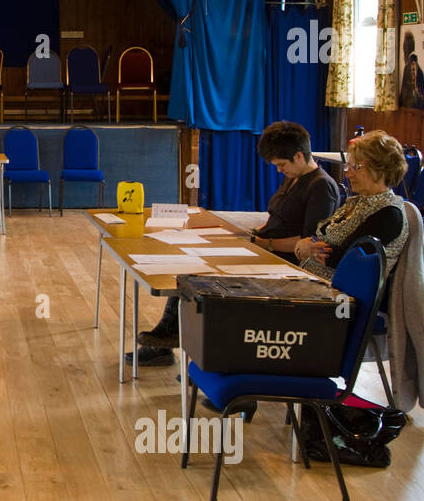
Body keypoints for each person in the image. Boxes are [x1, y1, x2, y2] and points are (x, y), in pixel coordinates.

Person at [132, 121, 341, 366]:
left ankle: (199, 351)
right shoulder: (294, 177)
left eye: (281, 165)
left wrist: (265, 243)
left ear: (298, 156)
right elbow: (277, 220)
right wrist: (251, 234)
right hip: (263, 248)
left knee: (205, 274)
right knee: (192, 264)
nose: (278, 171)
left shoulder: (321, 187)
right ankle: (169, 336)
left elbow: (308, 243)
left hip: (284, 263)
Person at [295, 130, 409, 282]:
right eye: (349, 167)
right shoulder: (358, 201)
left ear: (381, 170)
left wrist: (309, 248)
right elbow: (319, 237)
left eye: (357, 167)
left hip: (338, 295)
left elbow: (346, 259)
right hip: (309, 278)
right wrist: (306, 244)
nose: (349, 174)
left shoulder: (389, 214)